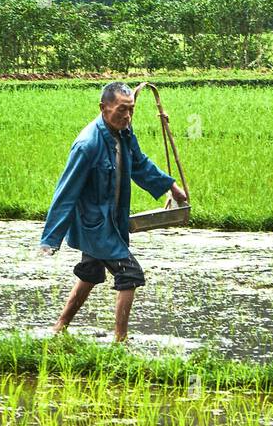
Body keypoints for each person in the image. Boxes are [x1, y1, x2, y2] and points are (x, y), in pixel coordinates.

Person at [39, 82, 189, 342]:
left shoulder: (125, 132)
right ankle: (120, 340)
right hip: (95, 226)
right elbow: (66, 193)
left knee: (90, 272)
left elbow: (140, 164)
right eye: (121, 110)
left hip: (112, 220)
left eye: (131, 110)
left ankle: (59, 327)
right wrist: (50, 240)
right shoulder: (87, 145)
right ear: (103, 108)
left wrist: (171, 186)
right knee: (130, 273)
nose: (127, 116)